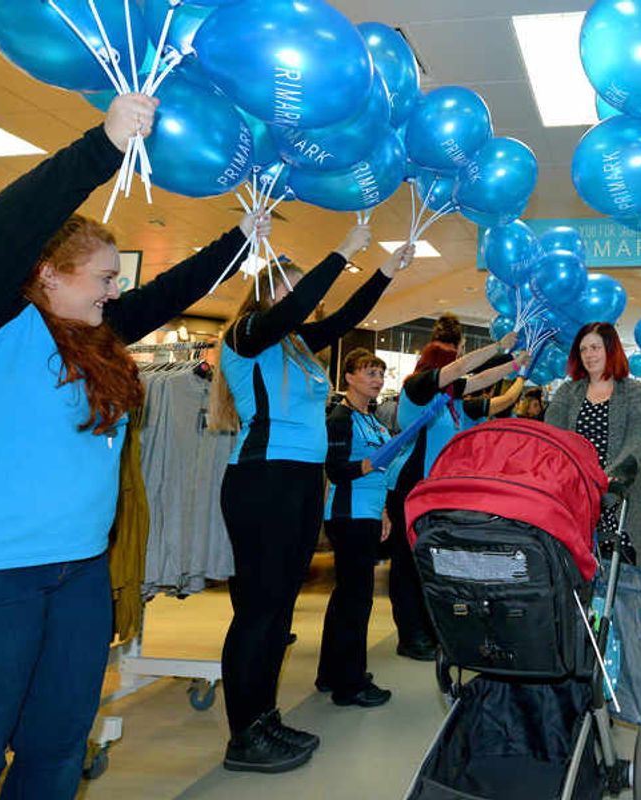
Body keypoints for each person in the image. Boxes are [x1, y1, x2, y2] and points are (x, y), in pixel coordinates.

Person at [0, 94, 266, 797]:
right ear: (46, 273)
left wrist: (240, 241)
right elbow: (5, 227)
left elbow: (167, 294)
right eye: (103, 278)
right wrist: (101, 148)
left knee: (59, 747)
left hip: (80, 575)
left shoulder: (97, 341)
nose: (114, 291)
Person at [208, 221, 415, 773]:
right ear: (270, 291)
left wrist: (384, 272)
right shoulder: (247, 334)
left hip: (301, 481)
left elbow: (345, 317)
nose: (304, 302)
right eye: (292, 290)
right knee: (259, 610)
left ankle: (263, 717)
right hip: (263, 479)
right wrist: (341, 250)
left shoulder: (297, 345)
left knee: (279, 610)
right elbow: (293, 311)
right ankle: (243, 735)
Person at [385, 327, 528, 660]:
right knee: (407, 564)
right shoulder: (416, 389)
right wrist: (499, 346)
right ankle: (411, 636)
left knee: (429, 562)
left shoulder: (451, 400)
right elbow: (461, 370)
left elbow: (484, 384)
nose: (461, 366)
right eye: (455, 360)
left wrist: (517, 366)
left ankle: (429, 629)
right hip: (410, 487)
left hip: (435, 492)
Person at [316, 348, 397, 710]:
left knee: (346, 597)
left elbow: (379, 474)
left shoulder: (373, 419)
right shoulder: (340, 418)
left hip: (368, 514)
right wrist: (369, 463)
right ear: (348, 377)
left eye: (380, 373)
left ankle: (332, 673)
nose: (377, 380)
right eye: (369, 372)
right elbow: (336, 470)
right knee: (356, 600)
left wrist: (383, 511)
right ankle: (350, 684)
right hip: (348, 516)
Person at [545, 322, 641, 567]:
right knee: (578, 568)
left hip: (623, 494)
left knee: (626, 569)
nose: (589, 355)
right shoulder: (567, 392)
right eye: (583, 349)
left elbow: (638, 440)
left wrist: (609, 477)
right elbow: (553, 437)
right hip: (577, 494)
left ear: (610, 349)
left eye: (595, 347)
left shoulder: (634, 391)